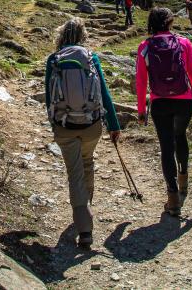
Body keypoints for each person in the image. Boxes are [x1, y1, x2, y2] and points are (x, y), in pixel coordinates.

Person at [44, 18, 122, 249]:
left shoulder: (53, 60)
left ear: (61, 36)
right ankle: (86, 205)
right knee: (87, 162)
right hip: (91, 125)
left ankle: (84, 228)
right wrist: (114, 125)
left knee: (74, 172)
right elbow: (104, 94)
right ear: (83, 35)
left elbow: (49, 96)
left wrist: (54, 123)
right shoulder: (91, 57)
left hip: (64, 125)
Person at [135, 7, 192, 218]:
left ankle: (173, 198)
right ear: (170, 22)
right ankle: (184, 177)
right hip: (184, 101)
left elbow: (141, 82)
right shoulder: (183, 43)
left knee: (166, 147)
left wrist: (141, 109)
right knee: (180, 136)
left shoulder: (145, 46)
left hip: (160, 103)